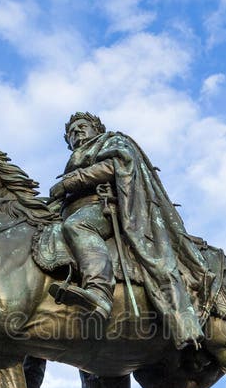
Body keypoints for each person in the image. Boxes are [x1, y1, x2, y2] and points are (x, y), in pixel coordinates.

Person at [48, 112, 213, 350]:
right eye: (71, 132)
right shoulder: (75, 158)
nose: (77, 133)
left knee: (78, 226)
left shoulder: (112, 141)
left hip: (106, 210)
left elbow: (118, 165)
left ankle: (99, 292)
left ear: (97, 128)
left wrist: (69, 182)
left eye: (82, 127)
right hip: (73, 210)